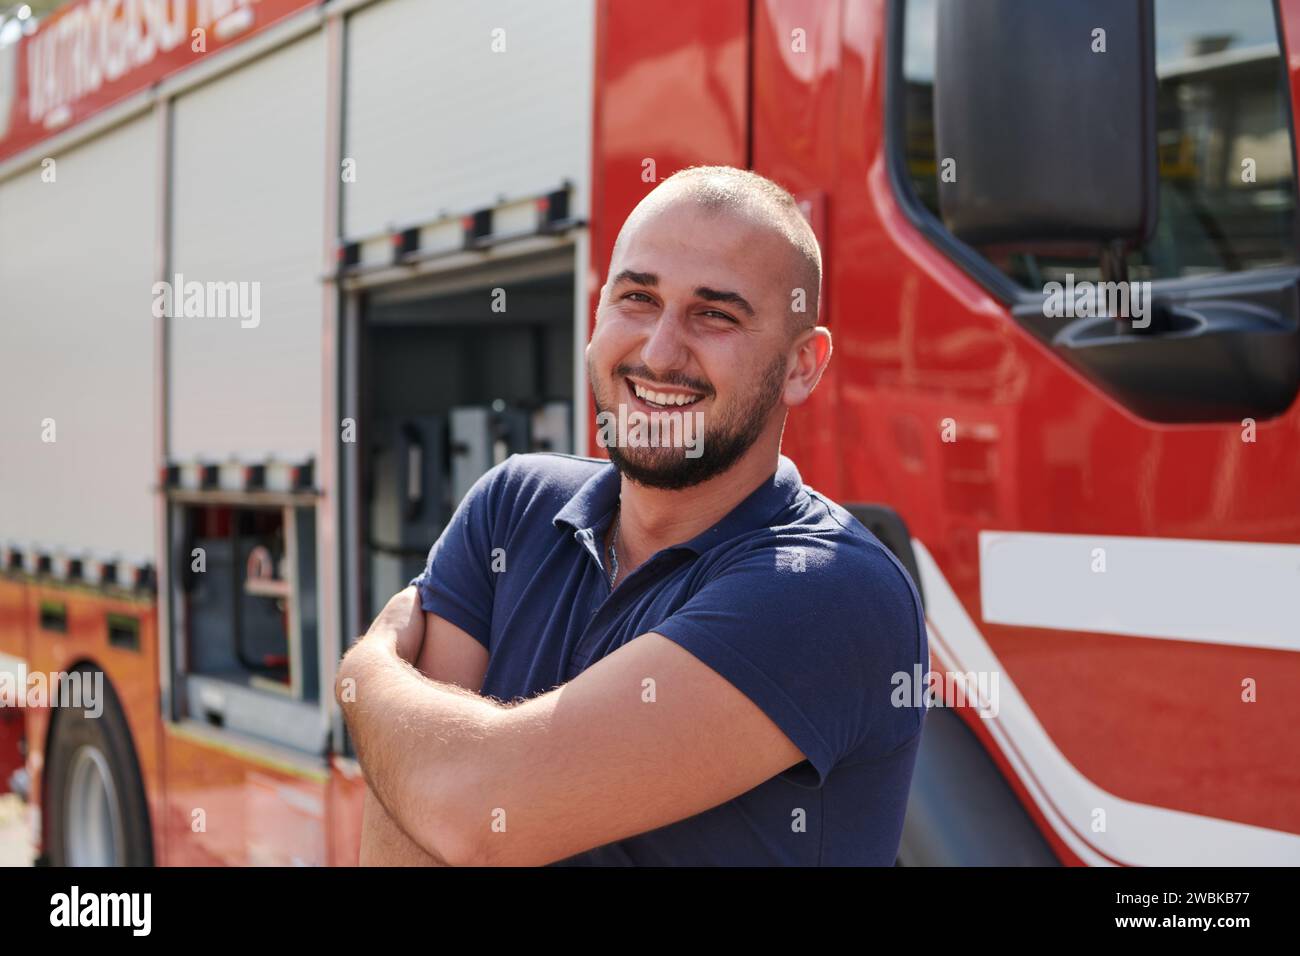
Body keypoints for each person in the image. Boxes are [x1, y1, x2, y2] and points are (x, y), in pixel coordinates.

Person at [336, 165, 928, 866]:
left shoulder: (827, 589)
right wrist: (421, 759)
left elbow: (470, 811)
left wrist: (369, 670)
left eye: (715, 314)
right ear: (597, 318)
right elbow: (412, 814)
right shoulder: (513, 507)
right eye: (638, 298)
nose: (659, 351)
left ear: (803, 365)